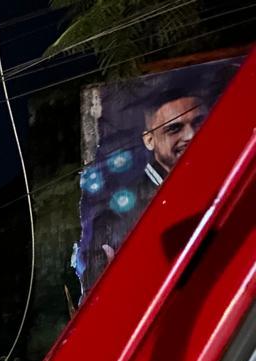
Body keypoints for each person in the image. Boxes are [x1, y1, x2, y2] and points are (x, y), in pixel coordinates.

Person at [79, 89, 209, 296]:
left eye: (199, 122)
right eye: (174, 129)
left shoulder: (228, 176)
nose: (191, 135)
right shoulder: (117, 217)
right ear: (149, 140)